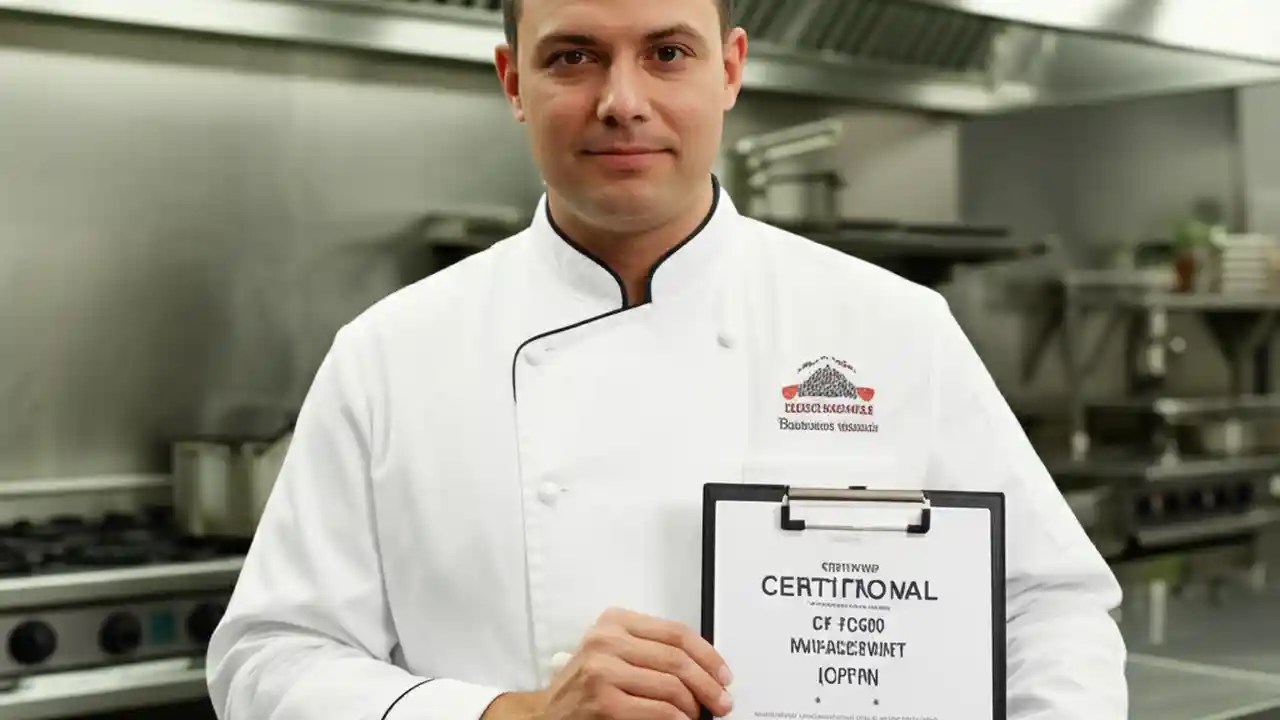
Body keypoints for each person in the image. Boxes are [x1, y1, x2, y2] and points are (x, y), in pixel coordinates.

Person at [205, 0, 1128, 717]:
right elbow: (268, 659)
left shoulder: (891, 326)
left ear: (729, 69)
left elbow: (1049, 611)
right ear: (511, 81)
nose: (623, 101)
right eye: (573, 56)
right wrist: (505, 715)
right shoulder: (389, 355)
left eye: (667, 52)